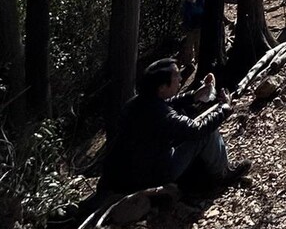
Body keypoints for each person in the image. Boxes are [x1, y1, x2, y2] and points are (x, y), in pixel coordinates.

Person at [99, 59, 248, 195]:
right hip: (156, 173)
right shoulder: (160, 113)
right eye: (176, 76)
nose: (181, 79)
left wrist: (193, 96)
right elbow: (197, 130)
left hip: (131, 172)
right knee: (207, 134)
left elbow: (168, 103)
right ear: (162, 87)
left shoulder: (137, 103)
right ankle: (223, 174)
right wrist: (224, 108)